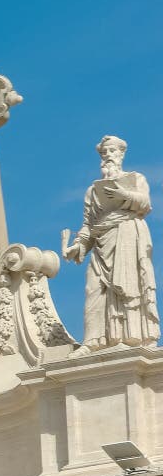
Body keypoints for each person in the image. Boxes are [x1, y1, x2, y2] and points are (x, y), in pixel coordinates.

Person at [64, 135, 160, 357]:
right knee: (93, 289)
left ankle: (130, 337)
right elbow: (88, 225)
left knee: (129, 286)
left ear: (121, 154)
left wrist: (123, 194)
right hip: (101, 243)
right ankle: (92, 342)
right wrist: (78, 245)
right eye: (104, 152)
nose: (107, 156)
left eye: (112, 151)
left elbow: (145, 204)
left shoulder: (136, 178)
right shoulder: (92, 191)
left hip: (126, 235)